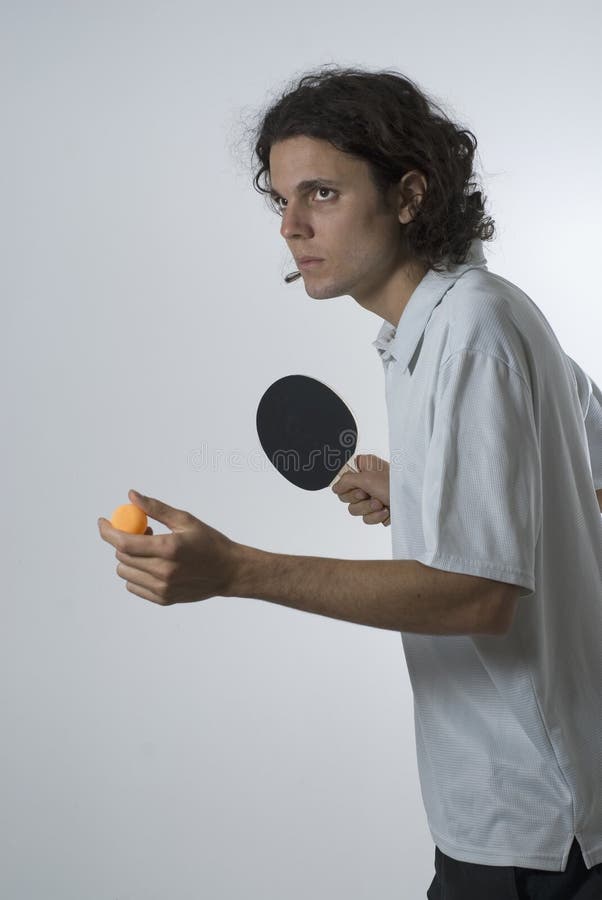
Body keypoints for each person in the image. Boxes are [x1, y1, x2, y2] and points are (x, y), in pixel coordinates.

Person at [98, 65, 602, 899]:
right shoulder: (468, 317)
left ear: (409, 195)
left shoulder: (467, 332)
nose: (292, 226)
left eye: (322, 194)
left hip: (538, 833)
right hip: (522, 818)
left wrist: (236, 571)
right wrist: (445, 497)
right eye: (282, 202)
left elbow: (476, 595)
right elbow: (579, 488)